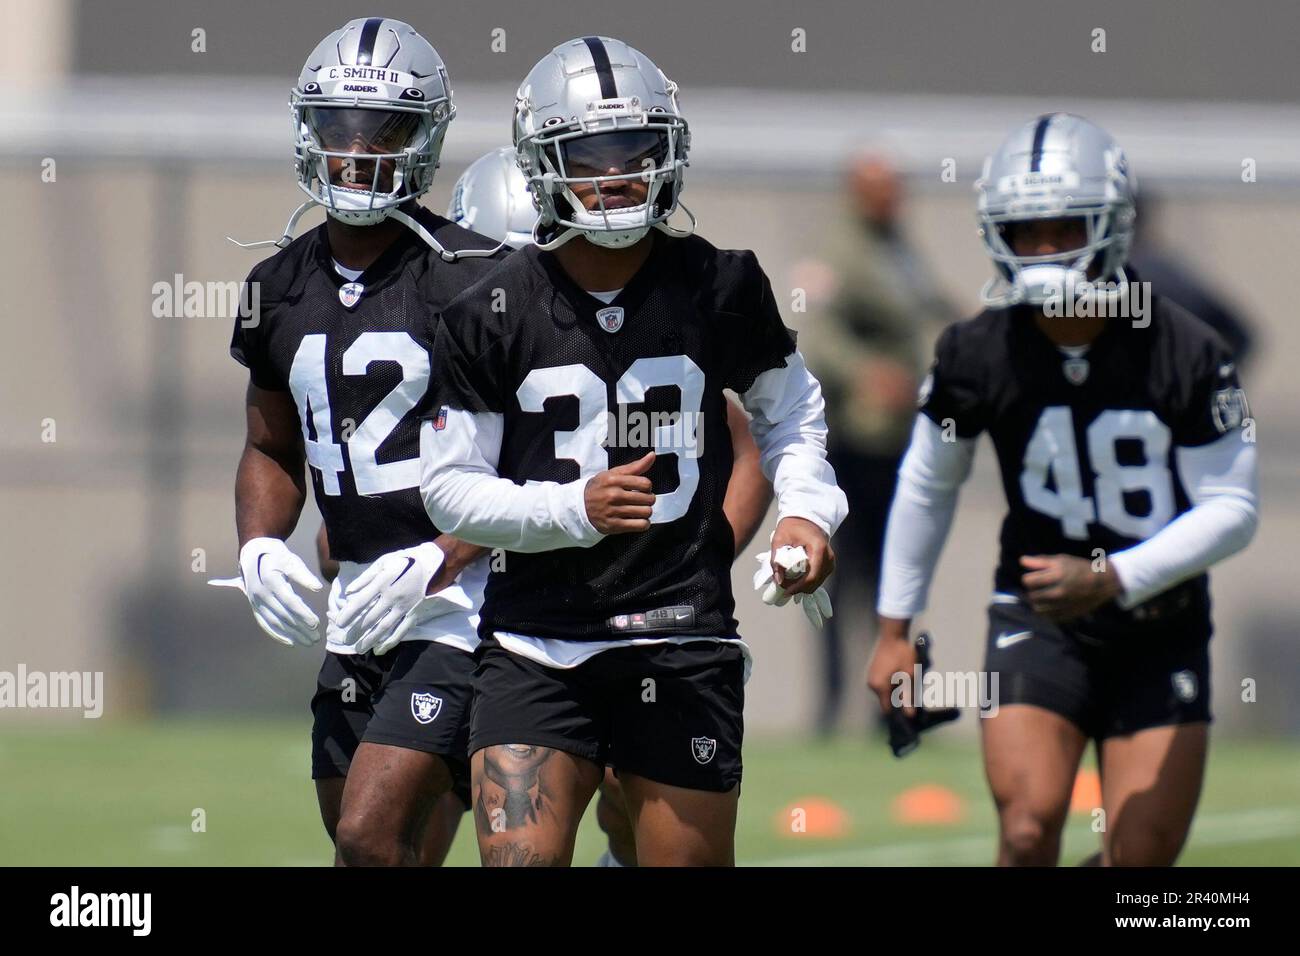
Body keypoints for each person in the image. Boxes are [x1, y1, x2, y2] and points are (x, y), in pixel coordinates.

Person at [419, 36, 846, 866]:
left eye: (636, 147)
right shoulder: (491, 308)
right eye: (589, 151)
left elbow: (792, 413)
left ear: (672, 150)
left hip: (679, 634)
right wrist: (571, 509)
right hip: (537, 640)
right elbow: (450, 492)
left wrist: (807, 512)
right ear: (543, 160)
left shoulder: (721, 285)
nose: (616, 172)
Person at [867, 113, 1258, 866]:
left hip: (1159, 621)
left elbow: (1234, 510)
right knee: (1025, 829)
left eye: (1063, 229)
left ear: (1110, 227)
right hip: (1039, 615)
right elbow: (927, 483)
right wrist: (892, 631)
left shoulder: (1183, 347)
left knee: (1140, 860)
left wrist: (1114, 575)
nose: (1043, 251)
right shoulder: (977, 351)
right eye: (1024, 232)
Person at [216, 17, 507, 866]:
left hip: (468, 605)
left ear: (427, 140)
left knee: (368, 835)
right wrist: (260, 546)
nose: (356, 153)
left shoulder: (477, 276)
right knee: (376, 850)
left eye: (384, 132)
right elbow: (270, 446)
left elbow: (530, 458)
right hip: (358, 607)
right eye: (338, 129)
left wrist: (444, 554)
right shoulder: (276, 286)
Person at [445, 145, 774, 867]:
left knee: (643, 827)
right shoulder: (473, 322)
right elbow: (446, 488)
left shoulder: (673, 298)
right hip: (511, 630)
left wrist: (705, 550)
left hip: (652, 622)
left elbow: (754, 440)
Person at [797, 154, 956, 734]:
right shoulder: (843, 248)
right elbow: (821, 334)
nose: (896, 199)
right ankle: (834, 706)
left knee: (898, 572)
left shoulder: (900, 247)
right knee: (842, 578)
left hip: (898, 439)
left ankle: (891, 707)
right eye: (884, 190)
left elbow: (924, 300)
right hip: (856, 440)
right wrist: (867, 371)